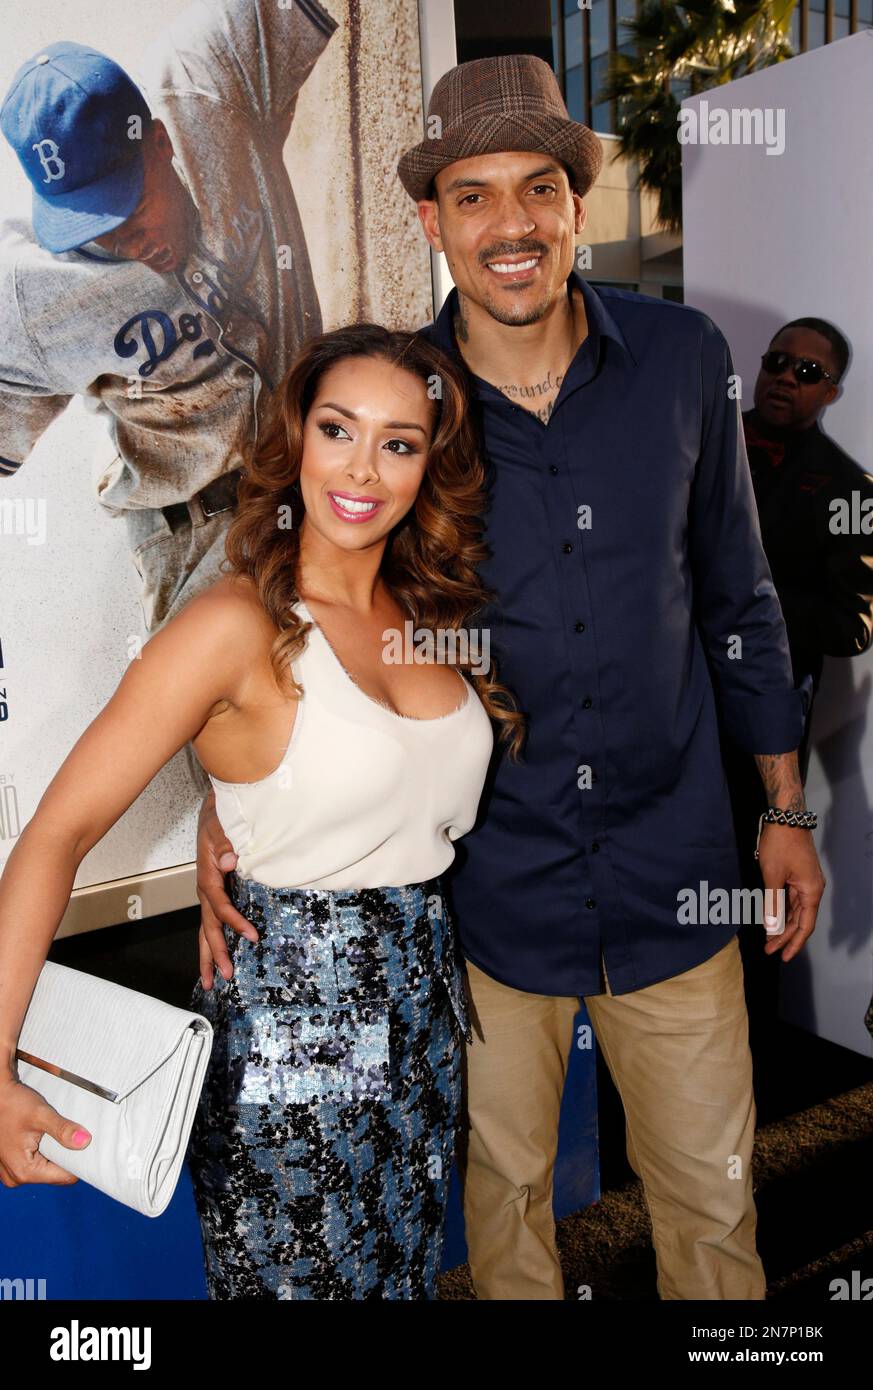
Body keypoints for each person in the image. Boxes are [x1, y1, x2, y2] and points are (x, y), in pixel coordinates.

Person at [196, 54, 826, 1301]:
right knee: (506, 1220)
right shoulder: (402, 405)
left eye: (538, 188)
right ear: (433, 222)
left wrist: (787, 811)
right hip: (485, 892)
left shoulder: (685, 358)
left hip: (678, 874)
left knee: (712, 1205)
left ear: (575, 205)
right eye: (473, 196)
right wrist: (230, 795)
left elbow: (741, 601)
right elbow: (297, 595)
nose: (511, 225)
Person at [0, 323, 521, 1300]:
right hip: (293, 1030)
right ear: (297, 441)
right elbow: (55, 834)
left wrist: (227, 819)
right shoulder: (233, 624)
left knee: (404, 1281)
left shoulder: (428, 615)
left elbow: (358, 782)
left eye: (400, 441)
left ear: (428, 465)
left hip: (424, 1008)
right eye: (338, 428)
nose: (363, 465)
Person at [0, 0, 336, 637]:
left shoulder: (210, 76)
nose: (128, 244)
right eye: (98, 232)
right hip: (199, 540)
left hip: (326, 496)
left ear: (158, 141)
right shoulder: (33, 288)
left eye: (134, 210)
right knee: (206, 735)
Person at [724, 318, 873, 1057]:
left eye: (807, 372)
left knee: (755, 893)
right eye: (778, 361)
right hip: (662, 703)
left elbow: (853, 626)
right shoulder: (701, 438)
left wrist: (753, 603)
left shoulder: (849, 489)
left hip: (764, 727)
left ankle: (750, 1054)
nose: (785, 376)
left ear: (831, 391)